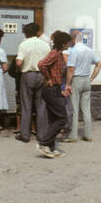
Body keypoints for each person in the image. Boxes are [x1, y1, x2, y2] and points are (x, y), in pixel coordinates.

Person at [36, 30, 72, 159]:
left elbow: (55, 72)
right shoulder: (55, 54)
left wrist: (60, 89)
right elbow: (41, 64)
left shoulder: (59, 54)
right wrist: (48, 78)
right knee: (62, 118)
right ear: (63, 43)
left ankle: (50, 147)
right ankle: (44, 143)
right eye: (67, 42)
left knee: (54, 119)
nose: (69, 44)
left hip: (55, 89)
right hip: (50, 90)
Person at [13, 22, 49, 143]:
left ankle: (25, 134)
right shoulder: (45, 45)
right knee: (41, 105)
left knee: (26, 105)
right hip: (42, 75)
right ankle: (42, 134)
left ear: (26, 33)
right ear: (37, 32)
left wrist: (19, 70)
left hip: (27, 75)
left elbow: (18, 63)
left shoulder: (23, 45)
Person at [65, 30, 101, 141]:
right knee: (86, 109)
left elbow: (71, 69)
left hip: (76, 80)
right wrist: (92, 78)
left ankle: (73, 135)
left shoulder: (73, 50)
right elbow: (99, 64)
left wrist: (67, 84)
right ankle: (88, 134)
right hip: (86, 80)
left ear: (73, 39)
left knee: (75, 109)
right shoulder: (89, 50)